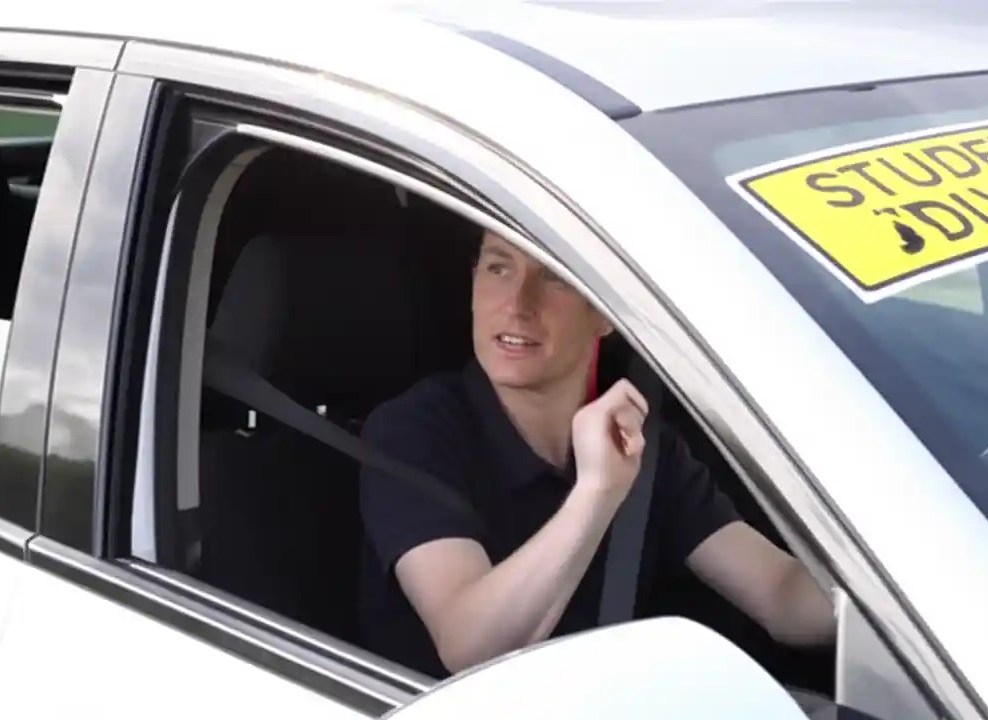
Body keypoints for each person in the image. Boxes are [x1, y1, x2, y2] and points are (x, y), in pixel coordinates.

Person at [357, 229, 836, 679]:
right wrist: (596, 493)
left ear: (606, 311)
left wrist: (897, 593)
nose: (517, 305)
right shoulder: (413, 431)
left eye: (554, 275)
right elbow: (469, 645)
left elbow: (781, 594)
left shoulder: (641, 440)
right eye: (498, 268)